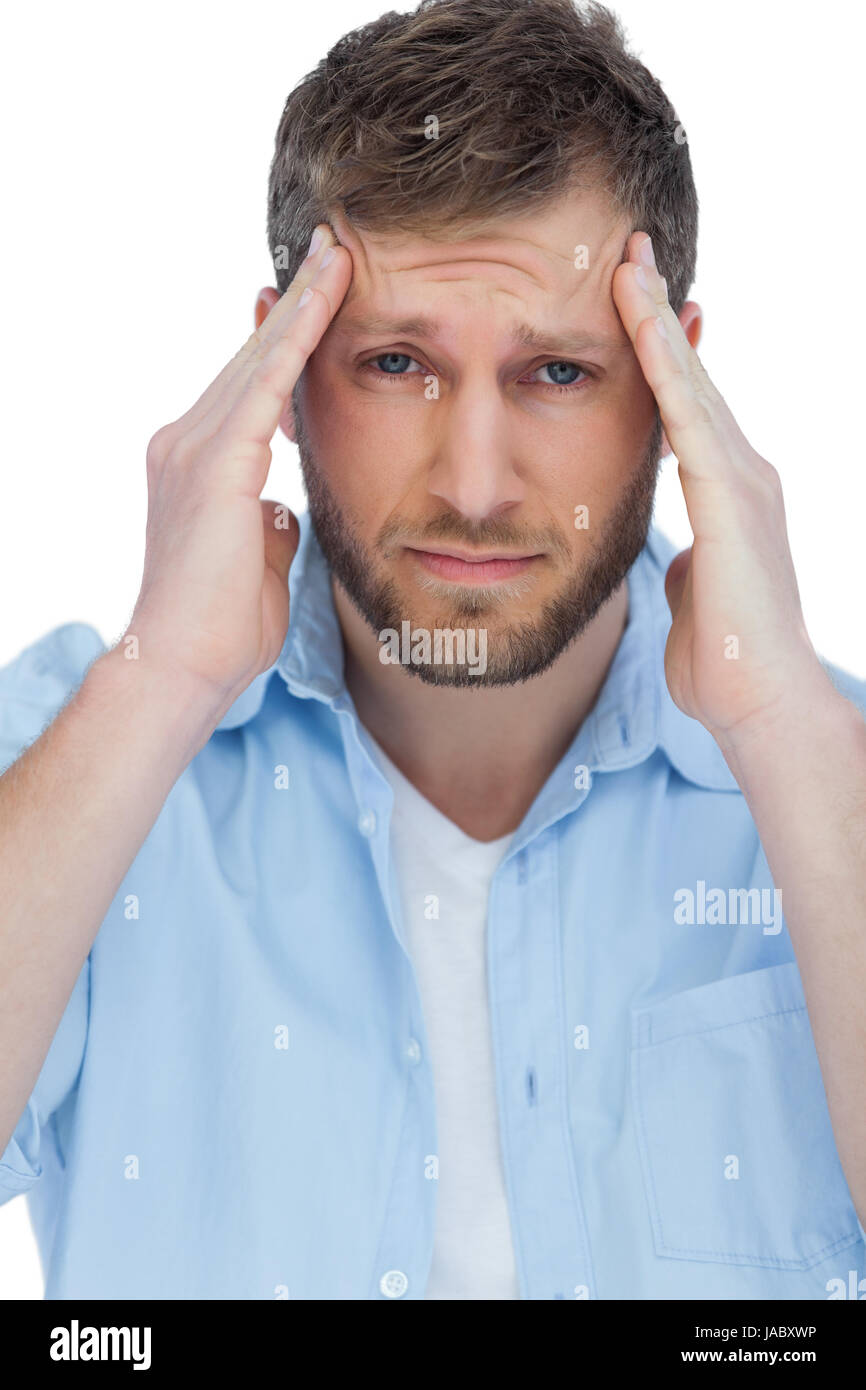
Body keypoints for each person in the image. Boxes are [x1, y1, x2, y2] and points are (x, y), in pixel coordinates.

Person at [1, 0, 864, 1301]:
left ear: (677, 386)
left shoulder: (824, 772)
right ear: (279, 375)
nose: (471, 485)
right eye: (397, 361)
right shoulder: (82, 740)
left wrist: (787, 732)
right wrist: (163, 680)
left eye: (558, 372)